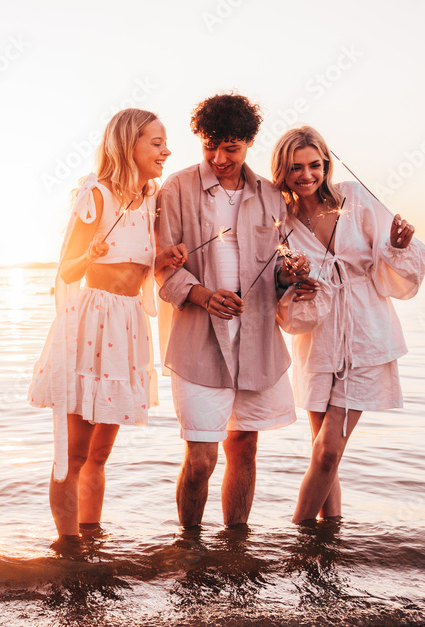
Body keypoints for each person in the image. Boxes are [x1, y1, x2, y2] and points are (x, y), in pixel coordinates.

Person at [155, 93, 313, 532]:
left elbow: (277, 268)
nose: (220, 158)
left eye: (231, 148)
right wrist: (204, 295)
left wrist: (290, 276)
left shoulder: (270, 196)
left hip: (256, 341)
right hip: (198, 343)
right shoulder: (176, 188)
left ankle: (236, 547)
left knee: (244, 447)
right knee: (202, 457)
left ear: (248, 143)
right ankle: (189, 548)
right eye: (211, 146)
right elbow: (163, 269)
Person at [29, 108, 184, 549]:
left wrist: (166, 261)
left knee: (100, 455)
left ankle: (91, 541)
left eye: (164, 143)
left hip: (129, 324)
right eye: (155, 143)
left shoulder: (152, 198)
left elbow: (141, 267)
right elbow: (66, 270)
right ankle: (69, 550)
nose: (165, 150)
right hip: (91, 323)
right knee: (74, 455)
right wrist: (90, 252)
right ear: (127, 145)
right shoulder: (96, 195)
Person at [270, 125, 425, 524]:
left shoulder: (354, 200)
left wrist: (396, 245)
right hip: (318, 337)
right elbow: (274, 276)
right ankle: (329, 538)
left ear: (326, 164)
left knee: (327, 451)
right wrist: (292, 279)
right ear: (282, 171)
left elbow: (393, 260)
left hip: (366, 332)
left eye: (315, 165)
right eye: (295, 168)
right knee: (323, 452)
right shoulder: (282, 220)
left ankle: (299, 540)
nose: (306, 175)